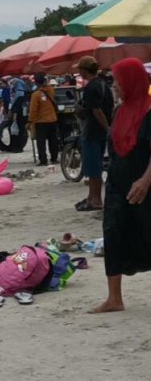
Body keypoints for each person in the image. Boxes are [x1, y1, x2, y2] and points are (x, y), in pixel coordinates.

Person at [90, 58, 151, 313]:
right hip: (117, 182)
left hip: (143, 183)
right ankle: (114, 298)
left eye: (116, 80)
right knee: (113, 232)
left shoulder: (149, 111)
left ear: (130, 81)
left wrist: (146, 180)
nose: (113, 85)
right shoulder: (120, 110)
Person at [75, 57, 114, 212]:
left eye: (80, 69)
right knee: (95, 165)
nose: (78, 72)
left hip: (92, 131)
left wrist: (107, 128)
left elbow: (96, 110)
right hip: (99, 132)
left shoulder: (91, 87)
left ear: (85, 70)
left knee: (93, 167)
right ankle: (92, 197)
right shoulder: (104, 84)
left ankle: (96, 199)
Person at [29, 73, 59, 166]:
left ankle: (43, 160)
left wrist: (30, 120)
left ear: (36, 83)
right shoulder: (51, 90)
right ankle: (54, 158)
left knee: (41, 142)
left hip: (41, 121)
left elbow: (33, 110)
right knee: (53, 140)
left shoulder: (35, 95)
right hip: (52, 119)